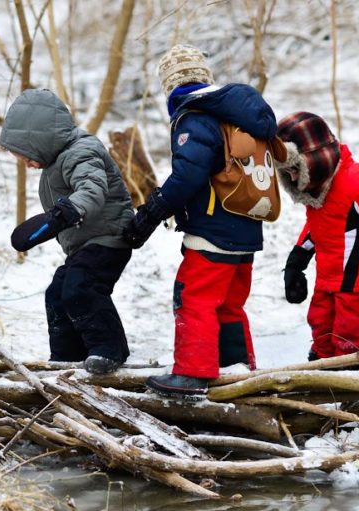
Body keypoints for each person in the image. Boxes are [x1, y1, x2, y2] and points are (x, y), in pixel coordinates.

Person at [124, 44, 283, 399]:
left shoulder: (195, 117)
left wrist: (151, 212)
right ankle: (237, 367)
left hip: (212, 231)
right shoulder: (235, 114)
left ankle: (193, 374)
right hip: (246, 229)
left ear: (170, 84)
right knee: (229, 303)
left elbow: (187, 177)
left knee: (193, 298)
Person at [1, 88, 135, 374]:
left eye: (27, 156)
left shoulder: (82, 151)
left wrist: (69, 211)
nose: (27, 163)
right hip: (86, 244)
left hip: (110, 237)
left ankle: (109, 351)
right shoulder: (55, 161)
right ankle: (66, 358)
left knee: (81, 287)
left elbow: (92, 188)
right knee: (58, 293)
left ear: (42, 138)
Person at [277, 112, 359, 362]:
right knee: (319, 322)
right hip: (327, 276)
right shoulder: (317, 188)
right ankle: (323, 369)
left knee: (349, 333)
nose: (292, 177)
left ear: (313, 160)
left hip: (357, 280)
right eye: (287, 172)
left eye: (295, 169)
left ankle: (357, 376)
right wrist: (296, 261)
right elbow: (318, 226)